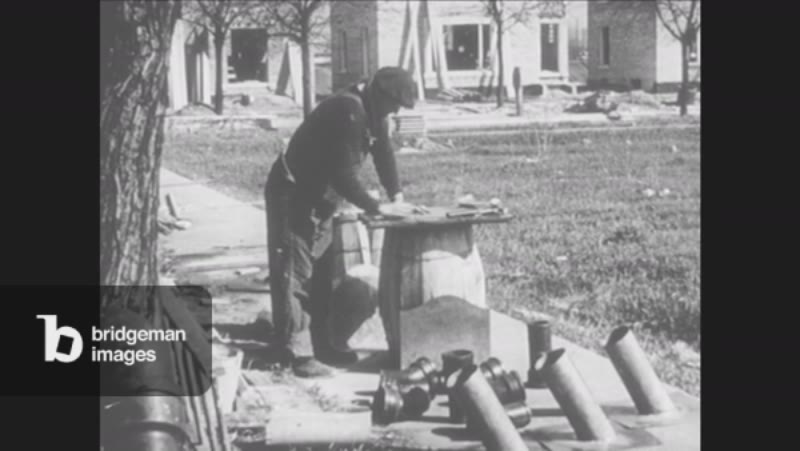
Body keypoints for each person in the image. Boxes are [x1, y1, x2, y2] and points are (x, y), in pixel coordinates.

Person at [264, 67, 420, 378]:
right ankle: (298, 352)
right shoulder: (347, 110)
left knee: (320, 276)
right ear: (379, 94)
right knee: (296, 272)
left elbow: (383, 152)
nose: (397, 111)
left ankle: (322, 345)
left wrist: (397, 195)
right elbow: (343, 174)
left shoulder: (375, 112)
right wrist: (378, 207)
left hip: (320, 198)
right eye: (395, 104)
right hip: (294, 195)